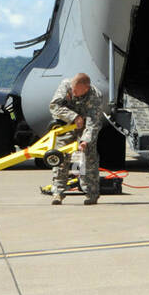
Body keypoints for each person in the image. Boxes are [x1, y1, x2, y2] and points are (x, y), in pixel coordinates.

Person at [47, 72, 105, 205]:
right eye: (72, 90)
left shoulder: (95, 96)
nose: (73, 93)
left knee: (89, 159)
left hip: (85, 127)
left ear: (86, 88)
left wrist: (85, 140)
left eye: (76, 91)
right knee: (60, 158)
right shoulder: (66, 85)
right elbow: (54, 106)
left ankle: (92, 193)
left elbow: (93, 122)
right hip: (67, 125)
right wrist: (73, 117)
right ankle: (57, 193)